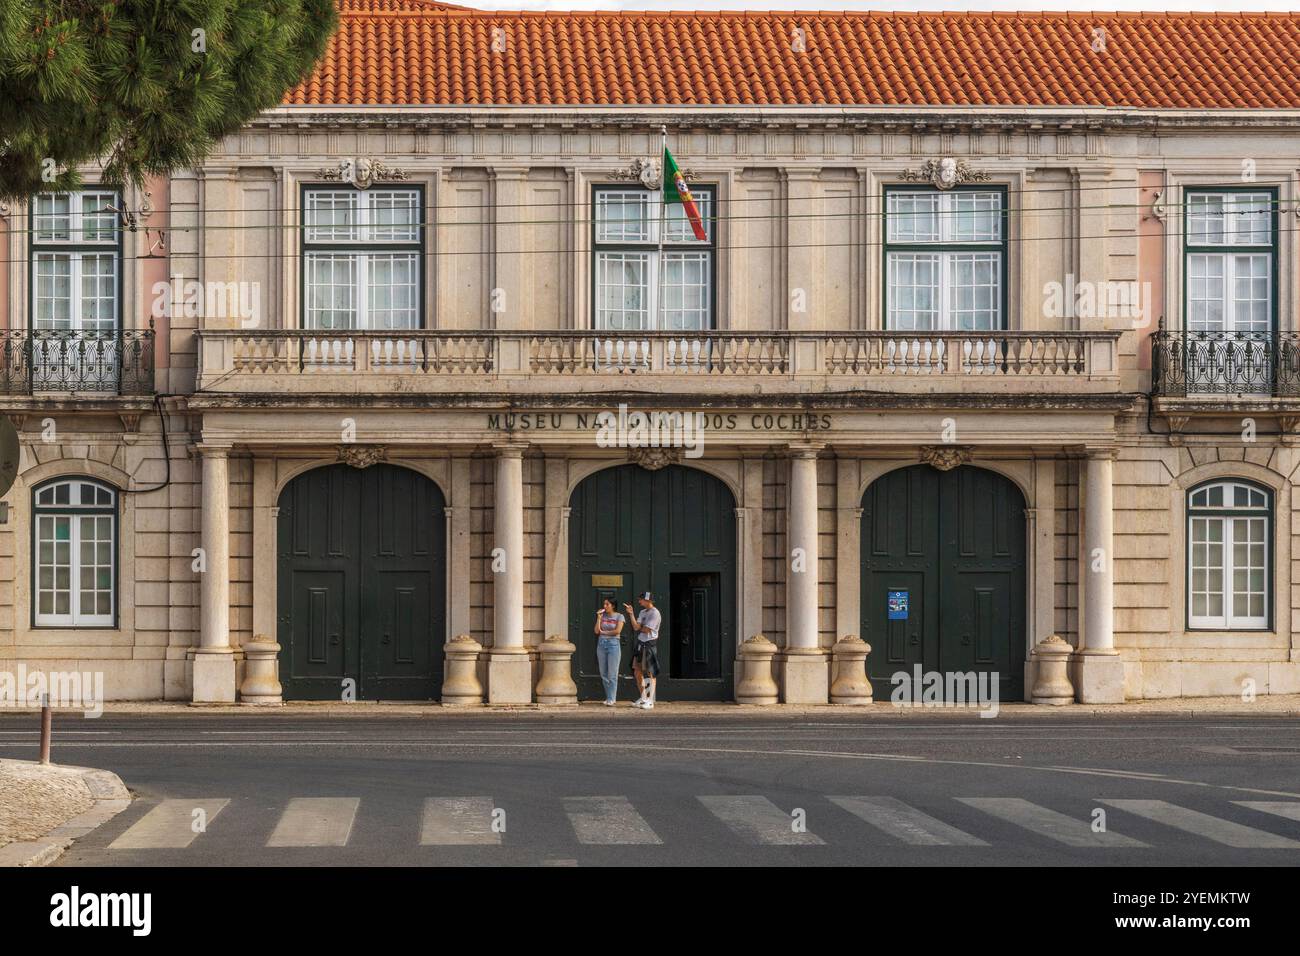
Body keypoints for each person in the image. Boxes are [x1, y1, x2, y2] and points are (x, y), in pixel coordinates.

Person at [623, 591, 662, 709]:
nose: (639, 601)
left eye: (641, 599)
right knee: (637, 670)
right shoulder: (642, 612)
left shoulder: (655, 613)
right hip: (640, 643)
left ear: (648, 600)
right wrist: (631, 614)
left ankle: (650, 701)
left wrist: (641, 626)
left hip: (649, 644)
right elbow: (636, 627)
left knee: (650, 672)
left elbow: (647, 630)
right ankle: (643, 698)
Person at [592, 597, 625, 706]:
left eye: (607, 604)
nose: (604, 606)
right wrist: (599, 618)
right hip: (601, 644)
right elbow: (596, 631)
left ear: (613, 605)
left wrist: (604, 632)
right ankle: (609, 697)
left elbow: (617, 631)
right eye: (604, 604)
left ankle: (612, 698)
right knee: (603, 673)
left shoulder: (619, 616)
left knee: (612, 674)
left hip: (613, 645)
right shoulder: (602, 616)